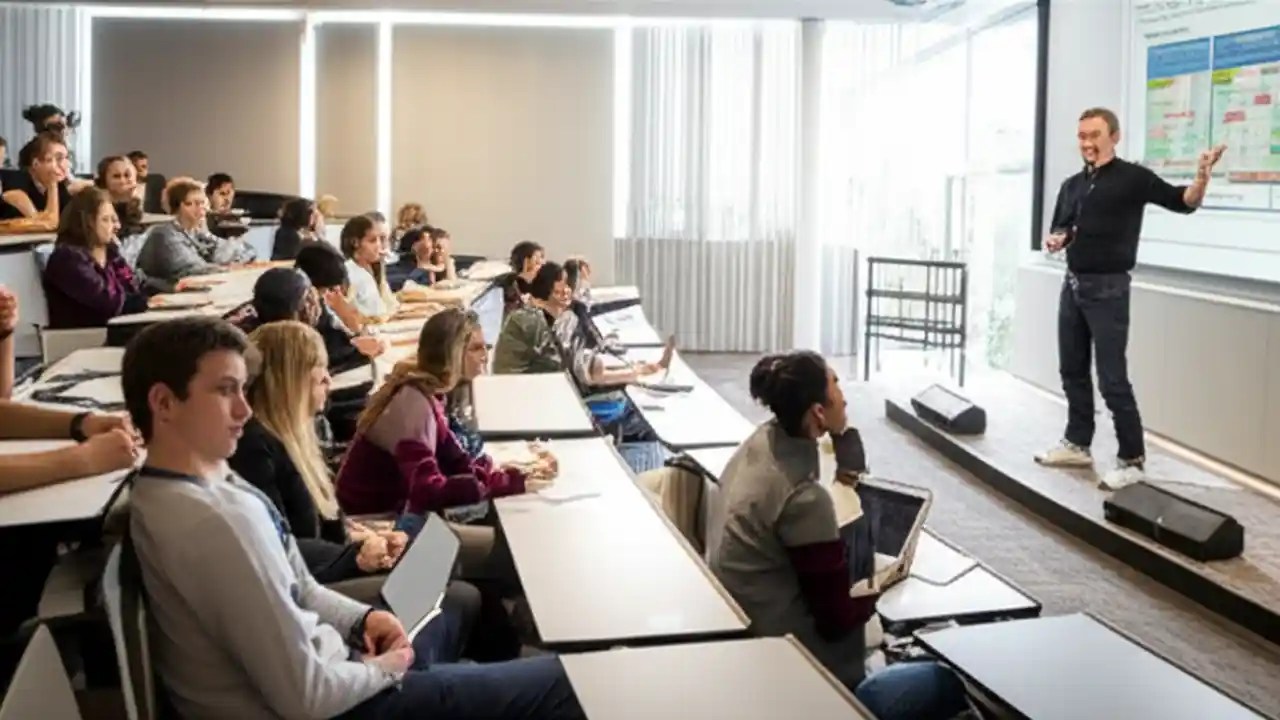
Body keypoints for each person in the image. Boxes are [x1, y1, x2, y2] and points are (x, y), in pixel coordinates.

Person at [119, 316, 584, 720]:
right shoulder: (213, 525)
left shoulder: (208, 481)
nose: (244, 409)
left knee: (453, 605)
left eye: (243, 389)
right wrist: (383, 669)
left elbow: (299, 588)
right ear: (163, 403)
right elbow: (307, 697)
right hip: (339, 706)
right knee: (572, 683)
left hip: (342, 670)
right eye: (224, 391)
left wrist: (363, 621)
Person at [706, 352, 967, 719]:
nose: (844, 396)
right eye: (837, 385)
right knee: (942, 681)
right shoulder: (803, 497)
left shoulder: (760, 445)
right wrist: (881, 585)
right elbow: (837, 618)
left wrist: (841, 431)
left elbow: (848, 479)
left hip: (751, 639)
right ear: (816, 412)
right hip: (802, 672)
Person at [1036, 107, 1227, 490]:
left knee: (1112, 379)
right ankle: (1077, 443)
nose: (1087, 143)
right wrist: (1058, 240)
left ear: (1114, 137)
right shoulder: (1072, 184)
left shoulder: (1133, 178)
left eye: (1095, 135)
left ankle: (1132, 458)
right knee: (1072, 369)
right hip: (1072, 285)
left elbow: (1183, 201)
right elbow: (1065, 228)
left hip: (1109, 290)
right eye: (1082, 136)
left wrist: (1202, 176)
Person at [230, 321, 406, 583]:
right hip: (307, 588)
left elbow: (325, 528)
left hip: (327, 572)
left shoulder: (297, 438)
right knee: (458, 596)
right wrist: (355, 556)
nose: (328, 379)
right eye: (318, 369)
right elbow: (277, 549)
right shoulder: (254, 448)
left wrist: (368, 539)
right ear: (290, 379)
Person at [336, 309, 551, 520]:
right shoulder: (414, 403)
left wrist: (517, 480)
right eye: (476, 348)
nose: (485, 356)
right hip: (371, 523)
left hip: (392, 516)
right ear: (452, 354)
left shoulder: (431, 395)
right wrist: (486, 487)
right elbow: (428, 492)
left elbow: (458, 464)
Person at [493, 261, 668, 385]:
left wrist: (634, 372)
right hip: (524, 395)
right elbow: (583, 373)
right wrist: (633, 373)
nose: (568, 291)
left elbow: (582, 369)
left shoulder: (542, 316)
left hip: (529, 390)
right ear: (551, 291)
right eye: (563, 287)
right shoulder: (531, 320)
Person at [42, 188, 147, 328]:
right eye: (107, 220)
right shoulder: (67, 258)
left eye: (114, 219)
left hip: (116, 327)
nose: (117, 226)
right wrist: (146, 302)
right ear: (88, 222)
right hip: (82, 335)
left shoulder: (112, 255)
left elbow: (133, 288)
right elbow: (107, 302)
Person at [136, 179, 255, 293]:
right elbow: (193, 270)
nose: (200, 208)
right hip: (162, 296)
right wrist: (229, 267)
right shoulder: (164, 234)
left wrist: (231, 261)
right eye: (191, 204)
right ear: (176, 207)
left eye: (202, 203)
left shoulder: (198, 234)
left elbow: (246, 250)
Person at [295, 243, 384, 361]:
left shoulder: (320, 303)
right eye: (327, 289)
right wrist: (359, 349)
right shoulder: (300, 307)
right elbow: (326, 353)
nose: (334, 294)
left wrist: (355, 333)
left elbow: (335, 335)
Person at [0, 133, 71, 230]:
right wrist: (52, 184)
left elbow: (68, 223)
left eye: (66, 158)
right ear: (36, 163)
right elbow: (50, 224)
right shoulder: (15, 182)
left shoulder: (62, 187)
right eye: (58, 158)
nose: (64, 165)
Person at [340, 215, 398, 321]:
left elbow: (388, 309)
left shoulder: (371, 270)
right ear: (355, 243)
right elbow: (361, 317)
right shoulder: (349, 273)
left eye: (381, 240)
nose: (379, 245)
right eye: (372, 241)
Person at [94, 155, 145, 239]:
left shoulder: (134, 206)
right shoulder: (98, 209)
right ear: (104, 182)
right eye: (116, 176)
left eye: (127, 175)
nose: (122, 181)